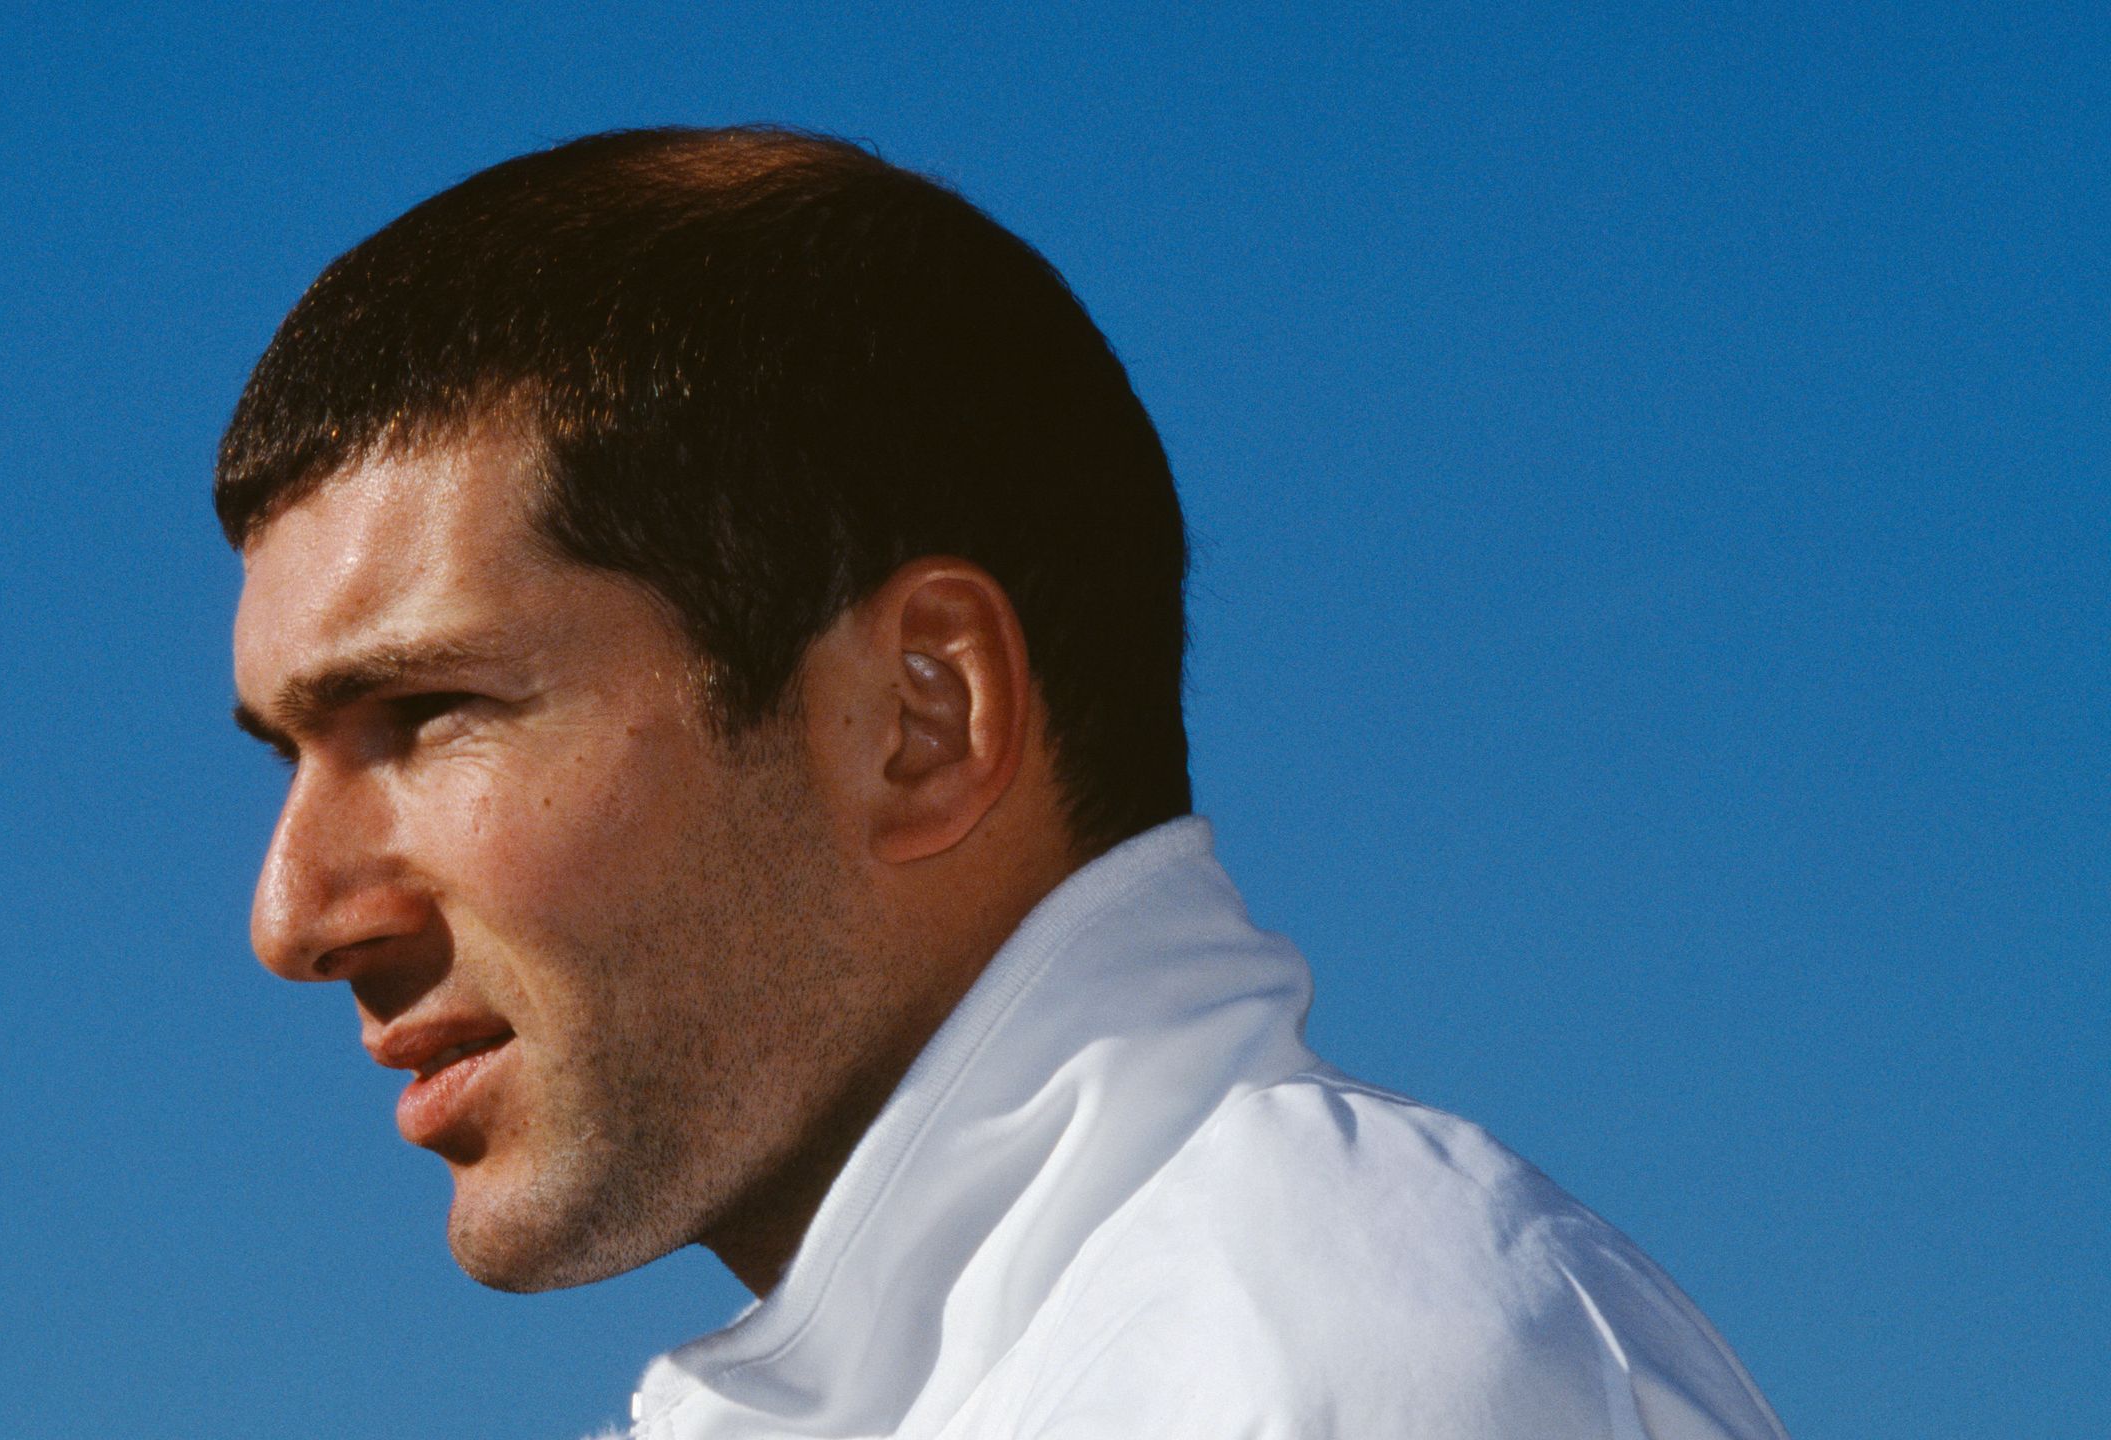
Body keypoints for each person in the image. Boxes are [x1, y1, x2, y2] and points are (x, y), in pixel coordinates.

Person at [218, 126, 1788, 1440]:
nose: (293, 917)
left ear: (920, 718)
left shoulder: (1322, 1373)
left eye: (427, 712)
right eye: (291, 754)